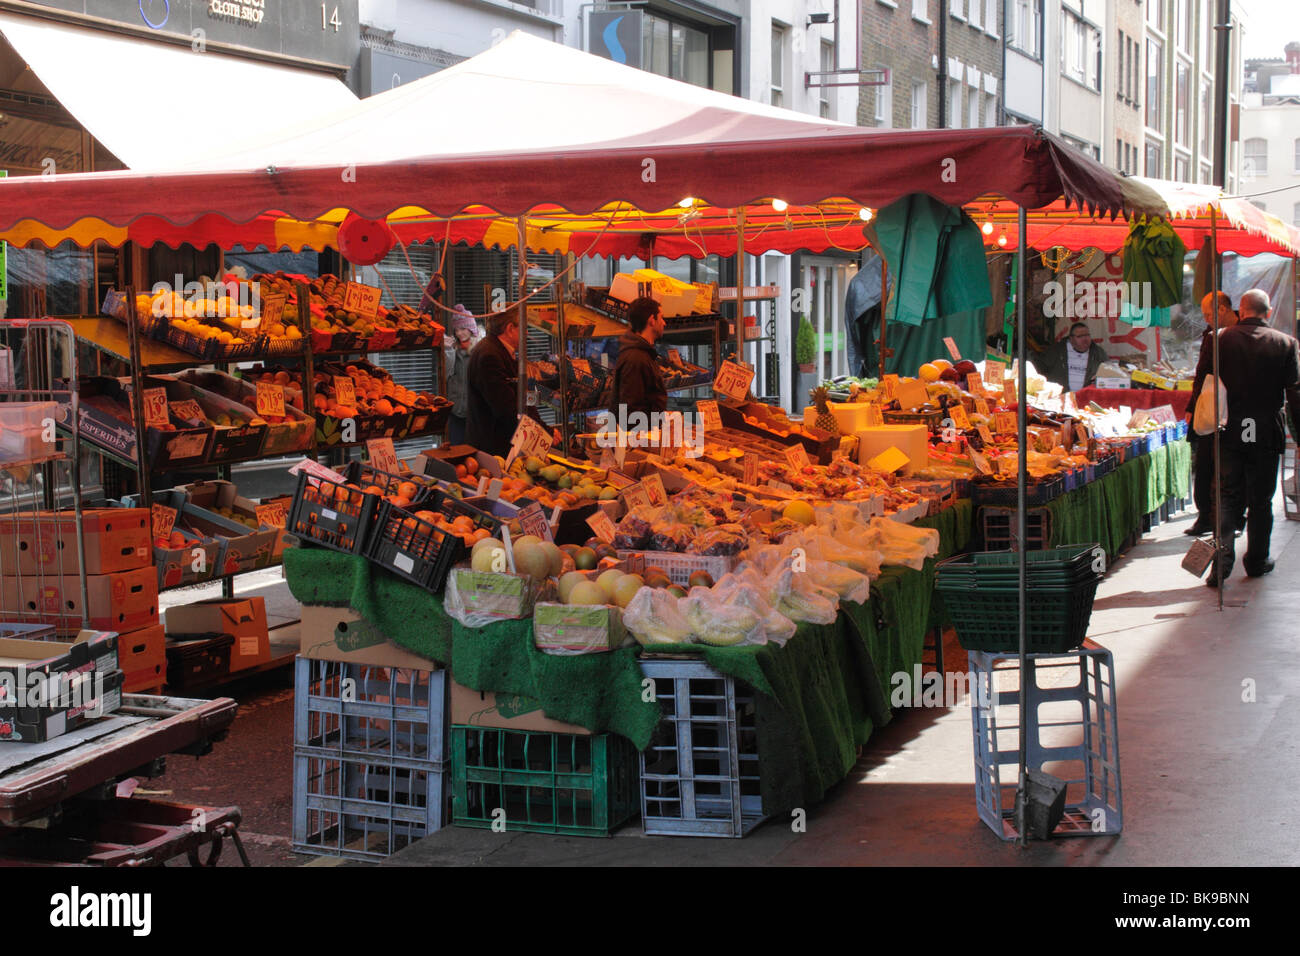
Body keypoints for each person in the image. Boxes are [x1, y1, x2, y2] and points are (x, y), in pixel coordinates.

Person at [1201, 289, 1300, 586]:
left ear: (1241, 311)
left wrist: (1195, 417)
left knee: (1227, 495)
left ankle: (1221, 563)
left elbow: (1202, 381)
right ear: (1267, 312)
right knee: (1260, 500)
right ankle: (1257, 560)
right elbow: (1294, 394)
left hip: (1230, 427)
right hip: (1265, 429)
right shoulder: (1286, 343)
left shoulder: (1218, 339)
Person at [465, 311, 558, 458]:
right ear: (510, 329)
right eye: (524, 327)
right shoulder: (489, 356)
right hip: (494, 448)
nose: (527, 332)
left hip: (503, 444)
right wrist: (544, 433)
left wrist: (543, 428)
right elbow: (506, 408)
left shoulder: (502, 351)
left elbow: (523, 398)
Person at [1184, 291, 1240, 536]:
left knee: (1235, 465)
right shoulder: (1210, 335)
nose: (1206, 319)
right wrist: (1191, 407)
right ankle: (1205, 516)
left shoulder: (1243, 332)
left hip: (1240, 412)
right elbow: (1201, 373)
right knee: (1206, 463)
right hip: (1212, 410)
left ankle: (1236, 517)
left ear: (1222, 309)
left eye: (1208, 314)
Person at [612, 296, 668, 419]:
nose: (664, 323)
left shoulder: (643, 354)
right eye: (661, 318)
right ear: (652, 320)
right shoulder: (635, 359)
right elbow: (632, 412)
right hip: (639, 435)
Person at [443, 305, 480, 445]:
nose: (459, 333)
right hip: (455, 411)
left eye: (463, 329)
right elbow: (445, 375)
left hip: (475, 414)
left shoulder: (480, 351)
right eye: (457, 329)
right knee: (456, 451)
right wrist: (448, 351)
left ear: (471, 328)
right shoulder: (453, 349)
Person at [1039, 322, 1108, 392]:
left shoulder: (1098, 353)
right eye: (1080, 336)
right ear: (1071, 338)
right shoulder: (1056, 350)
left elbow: (1108, 374)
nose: (1085, 339)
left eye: (1087, 335)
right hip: (1061, 397)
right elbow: (1041, 371)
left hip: (1086, 398)